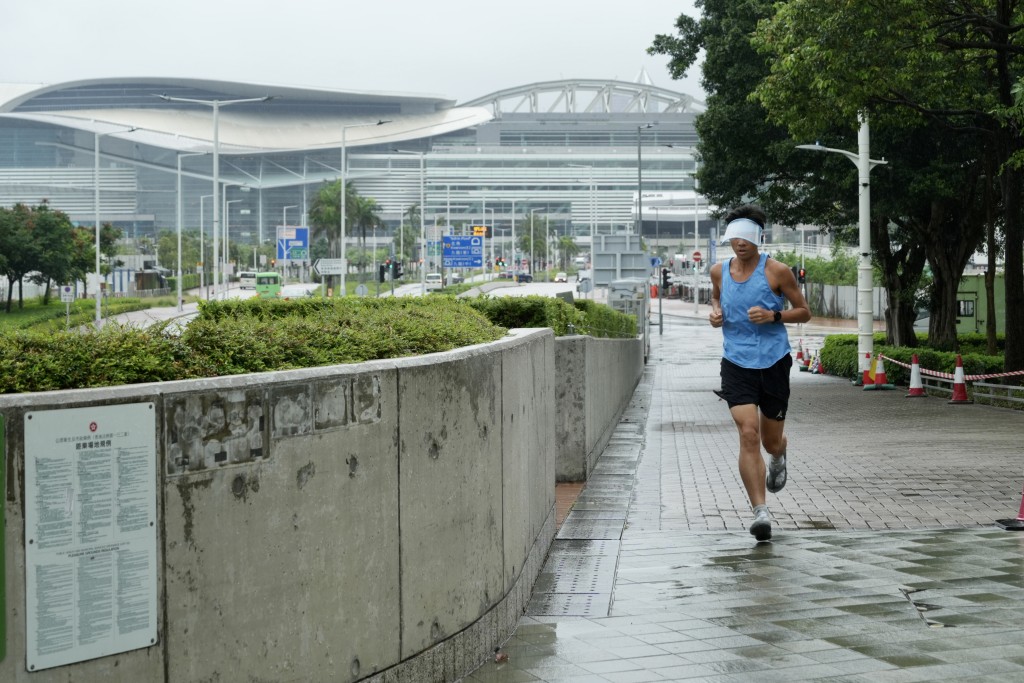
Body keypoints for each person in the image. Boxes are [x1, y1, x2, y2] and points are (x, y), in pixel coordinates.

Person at [708, 205, 812, 541]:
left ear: (759, 237)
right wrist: (715, 312)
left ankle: (779, 454)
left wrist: (774, 316)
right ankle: (760, 511)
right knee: (748, 433)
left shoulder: (777, 271)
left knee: (769, 439)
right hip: (736, 363)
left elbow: (804, 312)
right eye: (735, 236)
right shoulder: (719, 271)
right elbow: (716, 299)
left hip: (773, 362)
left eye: (747, 237)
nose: (741, 243)